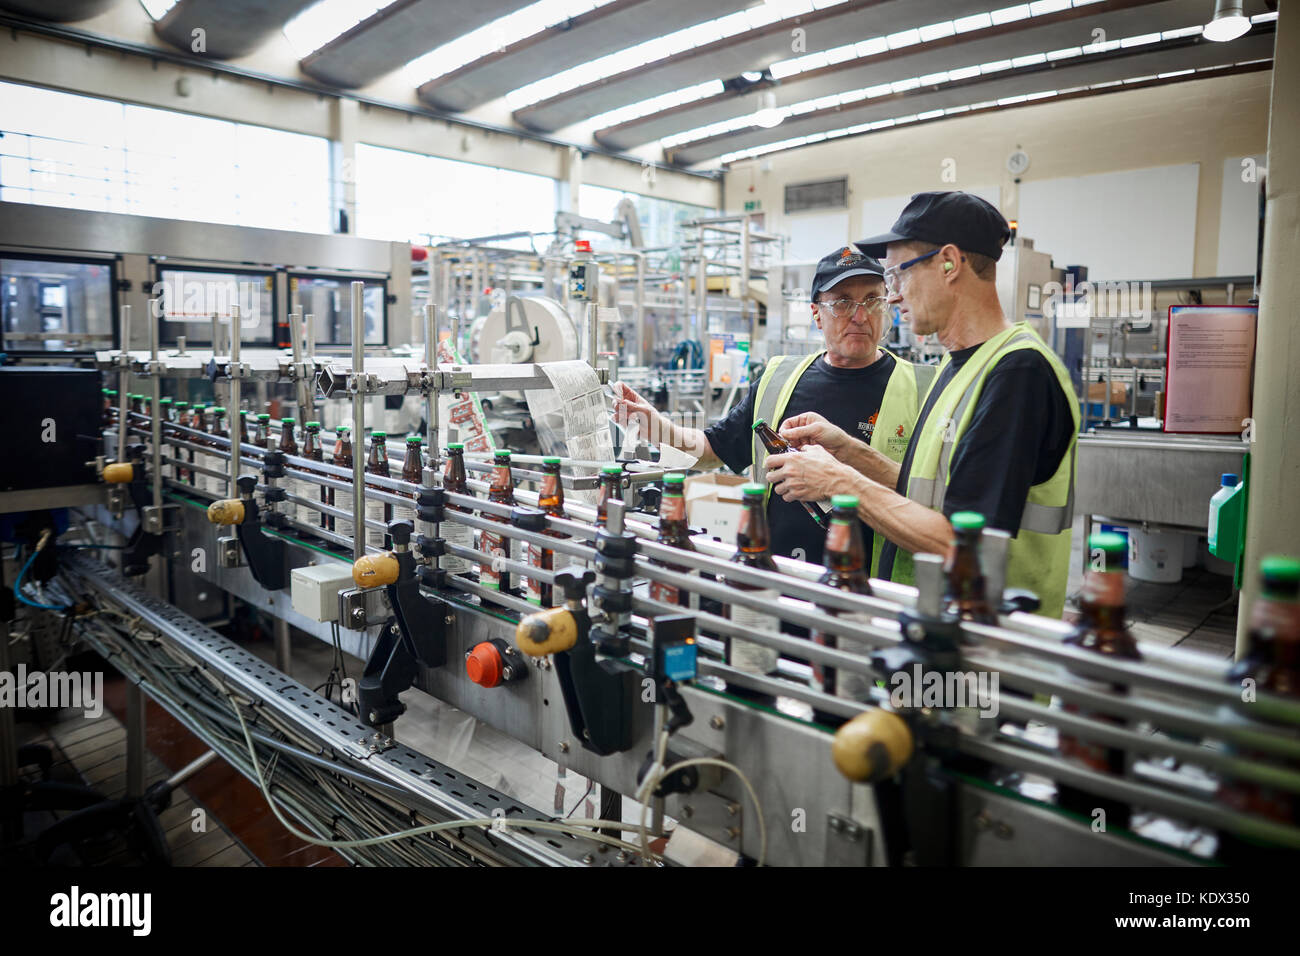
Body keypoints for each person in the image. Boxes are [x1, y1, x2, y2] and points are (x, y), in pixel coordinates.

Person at [765, 191, 1079, 618]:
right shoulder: (961, 365)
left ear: (949, 263)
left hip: (985, 648)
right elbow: (945, 496)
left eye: (898, 275)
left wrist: (839, 481)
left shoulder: (1017, 374)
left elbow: (963, 542)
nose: (891, 297)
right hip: (932, 628)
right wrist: (851, 452)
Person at [612, 247, 930, 568]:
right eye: (843, 302)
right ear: (816, 313)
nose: (860, 316)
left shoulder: (922, 388)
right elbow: (713, 450)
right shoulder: (778, 377)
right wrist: (656, 427)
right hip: (777, 579)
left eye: (872, 300)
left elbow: (935, 497)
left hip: (872, 592)